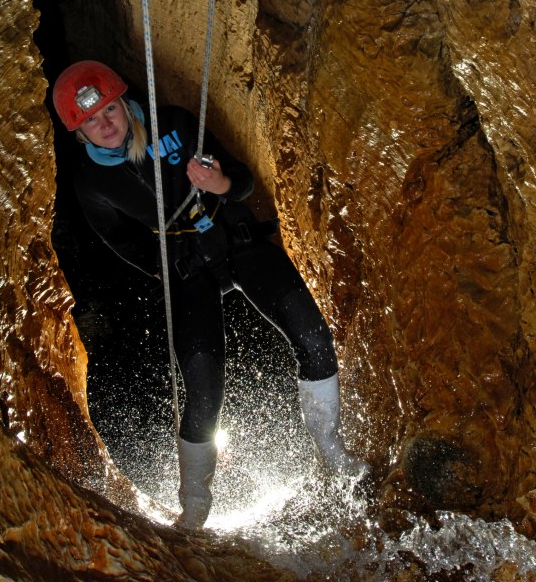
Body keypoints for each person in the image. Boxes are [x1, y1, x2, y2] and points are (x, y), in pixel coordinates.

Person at [53, 59, 368, 529]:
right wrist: (168, 262)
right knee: (202, 390)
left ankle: (331, 450)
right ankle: (195, 505)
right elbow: (121, 242)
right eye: (92, 121)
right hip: (186, 269)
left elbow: (242, 182)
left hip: (233, 237)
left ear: (125, 104)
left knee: (314, 338)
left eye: (110, 111)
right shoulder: (92, 182)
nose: (105, 125)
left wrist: (219, 183)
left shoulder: (176, 122)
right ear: (80, 133)